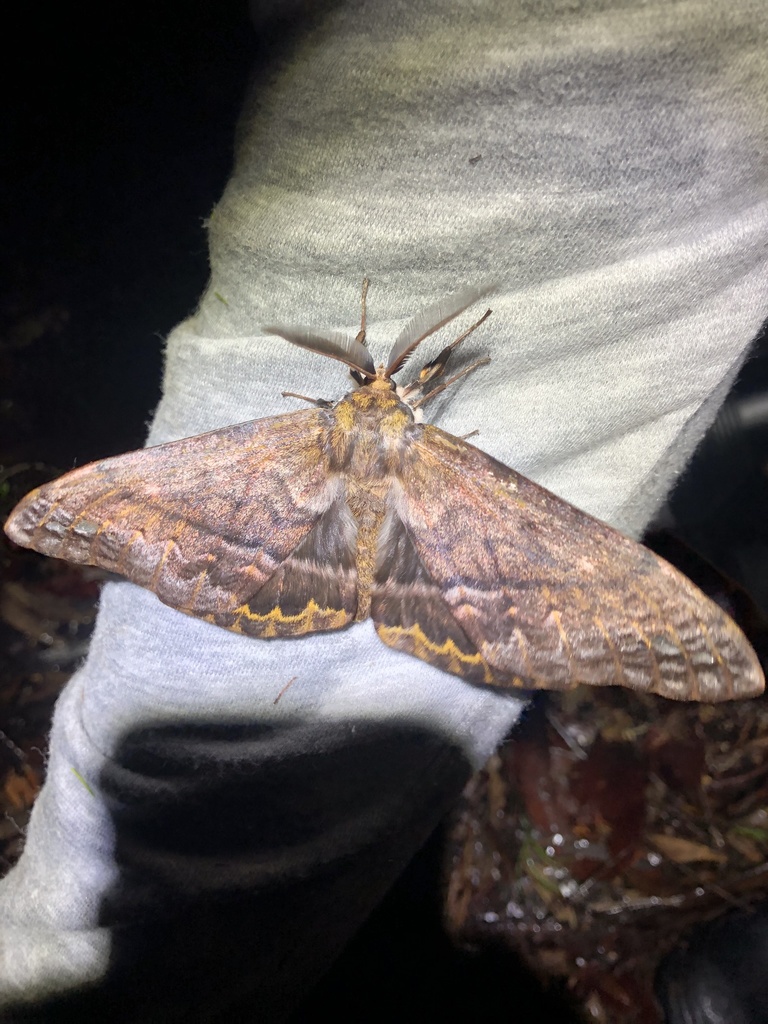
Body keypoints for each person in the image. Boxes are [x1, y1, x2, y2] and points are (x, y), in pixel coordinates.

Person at [2, 1, 766, 1019]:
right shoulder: (404, 424)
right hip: (422, 525)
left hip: (312, 529)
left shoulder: (324, 417)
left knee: (245, 754)